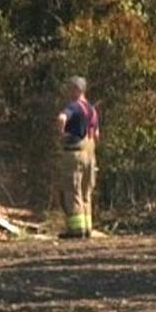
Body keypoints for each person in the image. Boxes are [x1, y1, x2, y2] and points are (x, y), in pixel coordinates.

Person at [57, 76, 100, 238]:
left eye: (70, 88)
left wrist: (62, 134)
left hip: (74, 153)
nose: (68, 92)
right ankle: (87, 228)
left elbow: (61, 118)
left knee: (72, 191)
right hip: (90, 154)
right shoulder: (92, 110)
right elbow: (96, 135)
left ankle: (75, 230)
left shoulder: (74, 106)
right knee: (86, 191)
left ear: (77, 89)